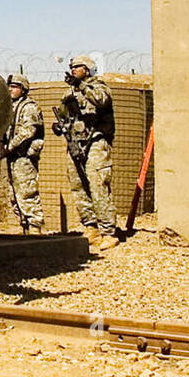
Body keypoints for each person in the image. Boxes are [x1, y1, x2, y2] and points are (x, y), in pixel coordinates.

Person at [55, 55, 119, 252]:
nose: (74, 70)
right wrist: (60, 125)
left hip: (96, 142)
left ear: (88, 69)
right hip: (76, 142)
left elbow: (101, 100)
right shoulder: (70, 93)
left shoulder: (99, 86)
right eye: (72, 67)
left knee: (97, 183)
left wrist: (81, 87)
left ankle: (108, 231)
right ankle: (90, 226)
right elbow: (65, 113)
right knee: (78, 184)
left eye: (78, 67)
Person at [0, 75, 45, 233]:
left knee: (27, 193)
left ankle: (34, 230)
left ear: (23, 89)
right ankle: (25, 227)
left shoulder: (29, 107)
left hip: (24, 157)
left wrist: (9, 147)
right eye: (9, 86)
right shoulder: (11, 107)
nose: (10, 89)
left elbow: (28, 131)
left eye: (15, 86)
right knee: (15, 196)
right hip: (14, 157)